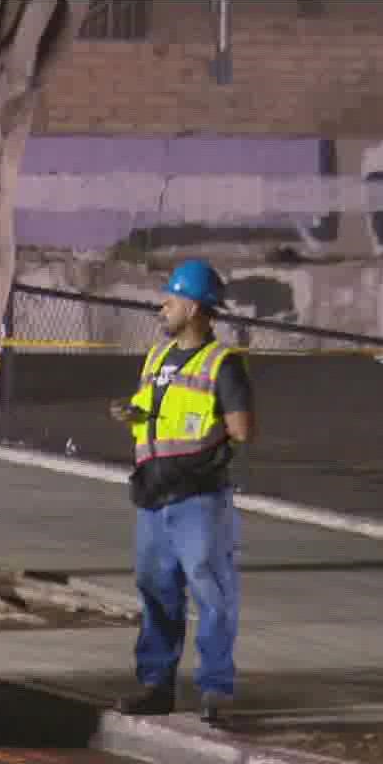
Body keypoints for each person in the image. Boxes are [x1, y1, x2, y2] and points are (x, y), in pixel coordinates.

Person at [108, 258, 256, 728]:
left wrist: (204, 455)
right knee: (157, 593)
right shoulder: (156, 357)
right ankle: (157, 686)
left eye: (171, 298)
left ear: (193, 307)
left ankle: (215, 693)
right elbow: (152, 409)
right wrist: (131, 415)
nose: (163, 306)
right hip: (153, 496)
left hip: (198, 501)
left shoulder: (222, 365)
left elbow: (242, 430)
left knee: (211, 593)